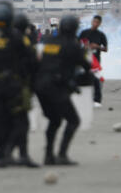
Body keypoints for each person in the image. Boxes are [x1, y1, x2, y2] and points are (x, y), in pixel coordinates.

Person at [0, 4, 37, 168]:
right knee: (21, 121)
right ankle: (20, 154)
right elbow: (32, 61)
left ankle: (1, 156)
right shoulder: (16, 38)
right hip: (13, 86)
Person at [35, 15, 91, 166]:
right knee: (73, 120)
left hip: (40, 87)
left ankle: (48, 155)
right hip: (56, 87)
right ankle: (61, 154)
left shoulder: (48, 42)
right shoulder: (72, 45)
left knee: (54, 121)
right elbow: (86, 65)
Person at [79, 15, 108, 107]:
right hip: (85, 59)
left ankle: (97, 99)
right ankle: (83, 99)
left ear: (99, 24)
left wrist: (97, 46)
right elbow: (77, 44)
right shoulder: (84, 33)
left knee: (96, 79)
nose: (95, 23)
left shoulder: (101, 35)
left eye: (97, 22)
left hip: (95, 60)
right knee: (83, 78)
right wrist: (86, 46)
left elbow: (106, 49)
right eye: (94, 21)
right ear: (91, 21)